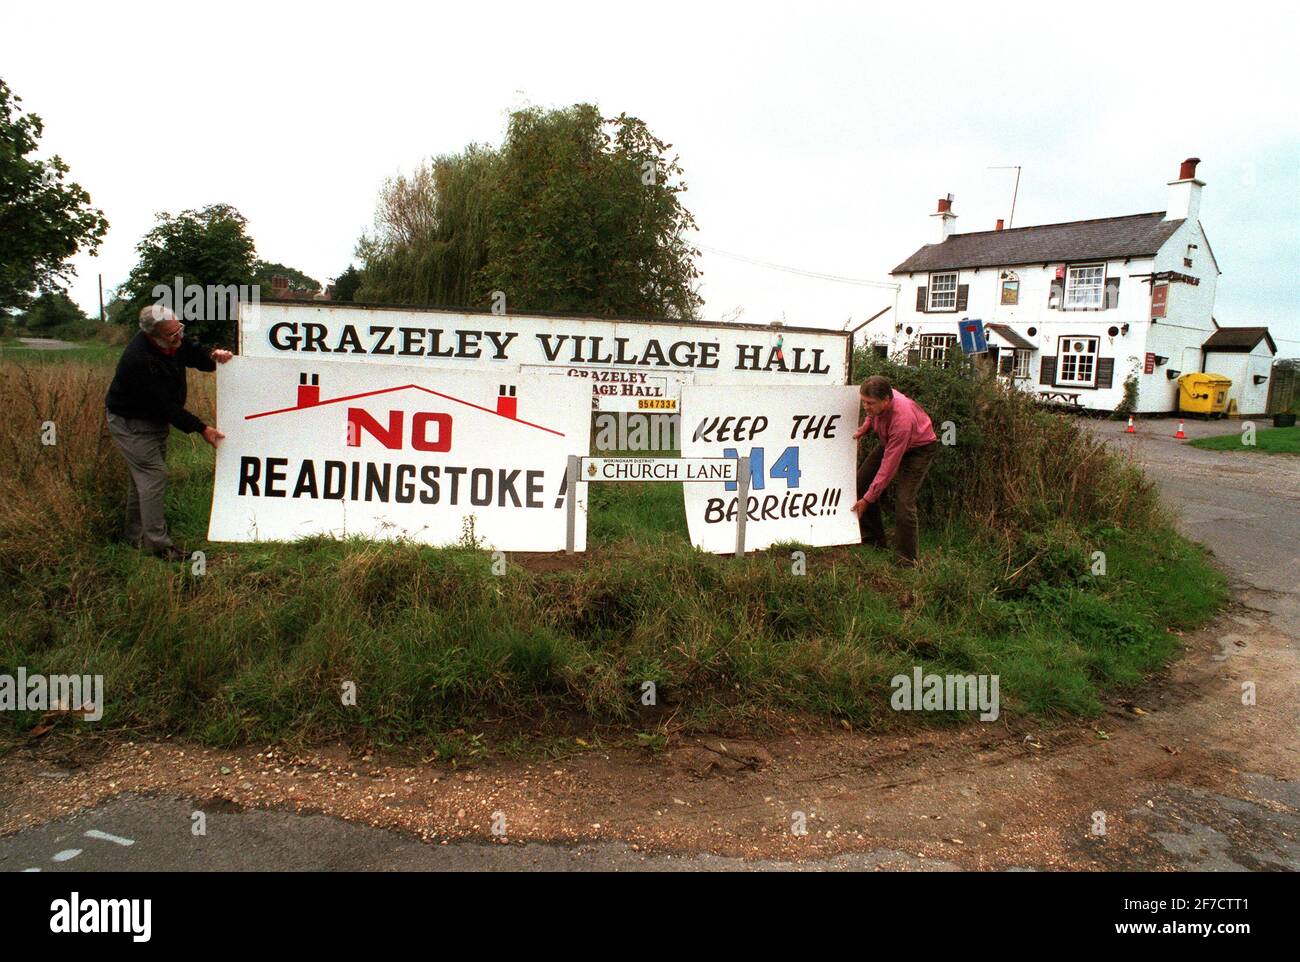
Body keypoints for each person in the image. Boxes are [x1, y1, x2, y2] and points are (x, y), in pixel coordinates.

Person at [104, 305, 232, 559]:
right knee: (154, 475)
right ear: (153, 335)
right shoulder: (139, 361)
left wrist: (214, 356)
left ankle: (134, 535)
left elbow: (194, 353)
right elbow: (167, 408)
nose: (178, 337)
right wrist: (201, 428)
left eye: (179, 329)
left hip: (153, 420)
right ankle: (160, 546)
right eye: (171, 334)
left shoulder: (172, 339)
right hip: (131, 423)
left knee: (141, 479)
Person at [850, 375, 939, 565]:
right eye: (863, 402)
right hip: (890, 441)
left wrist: (867, 500)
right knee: (861, 482)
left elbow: (888, 468)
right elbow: (871, 415)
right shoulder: (881, 399)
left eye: (870, 403)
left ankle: (907, 560)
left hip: (919, 448)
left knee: (904, 501)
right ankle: (874, 540)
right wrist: (865, 427)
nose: (866, 407)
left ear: (886, 400)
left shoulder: (902, 422)